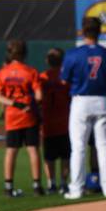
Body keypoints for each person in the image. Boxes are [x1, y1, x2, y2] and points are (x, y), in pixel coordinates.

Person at [61, 17, 106, 200]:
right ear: (99, 31)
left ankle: (76, 189)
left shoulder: (73, 54)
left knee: (78, 147)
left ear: (83, 31)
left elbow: (64, 80)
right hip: (102, 100)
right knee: (104, 147)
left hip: (81, 101)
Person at [0, 39, 44, 197]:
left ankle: (8, 186)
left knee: (11, 151)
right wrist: (30, 104)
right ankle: (37, 186)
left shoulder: (3, 72)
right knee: (33, 149)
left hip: (12, 117)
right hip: (28, 115)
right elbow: (39, 96)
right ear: (25, 53)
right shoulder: (31, 71)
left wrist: (13, 103)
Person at [37, 48, 71, 194]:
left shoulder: (42, 77)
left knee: (49, 156)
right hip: (64, 121)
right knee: (65, 155)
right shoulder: (66, 76)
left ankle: (52, 183)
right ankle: (63, 183)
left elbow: (37, 99)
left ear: (47, 60)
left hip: (48, 121)